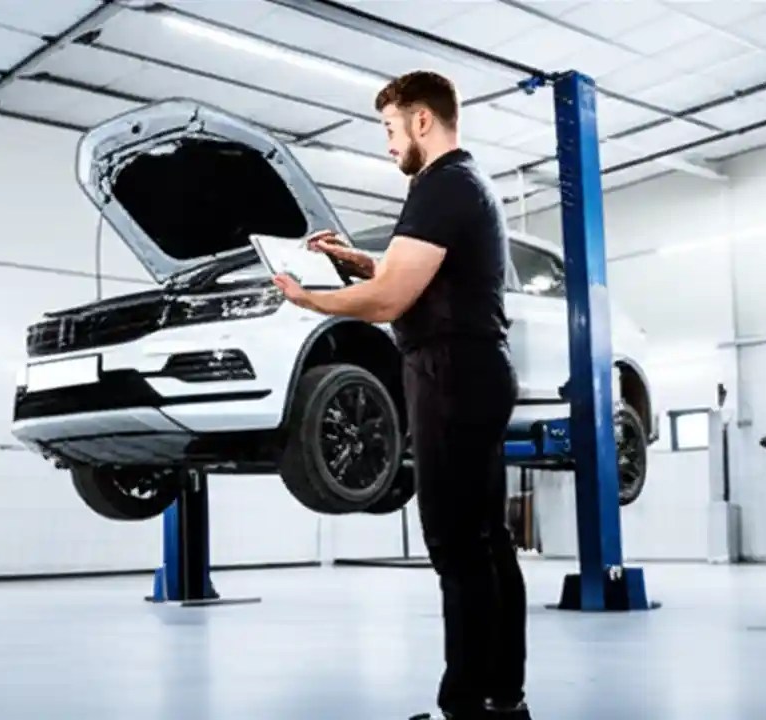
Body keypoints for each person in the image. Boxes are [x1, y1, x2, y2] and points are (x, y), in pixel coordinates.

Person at [271, 71, 530, 720]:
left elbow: (391, 299)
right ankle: (505, 700)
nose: (387, 144)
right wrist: (354, 262)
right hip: (476, 370)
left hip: (451, 373)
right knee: (487, 540)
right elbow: (404, 273)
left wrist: (311, 298)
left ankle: (464, 709)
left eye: (390, 128)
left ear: (422, 121)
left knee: (454, 545)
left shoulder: (440, 186)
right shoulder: (466, 183)